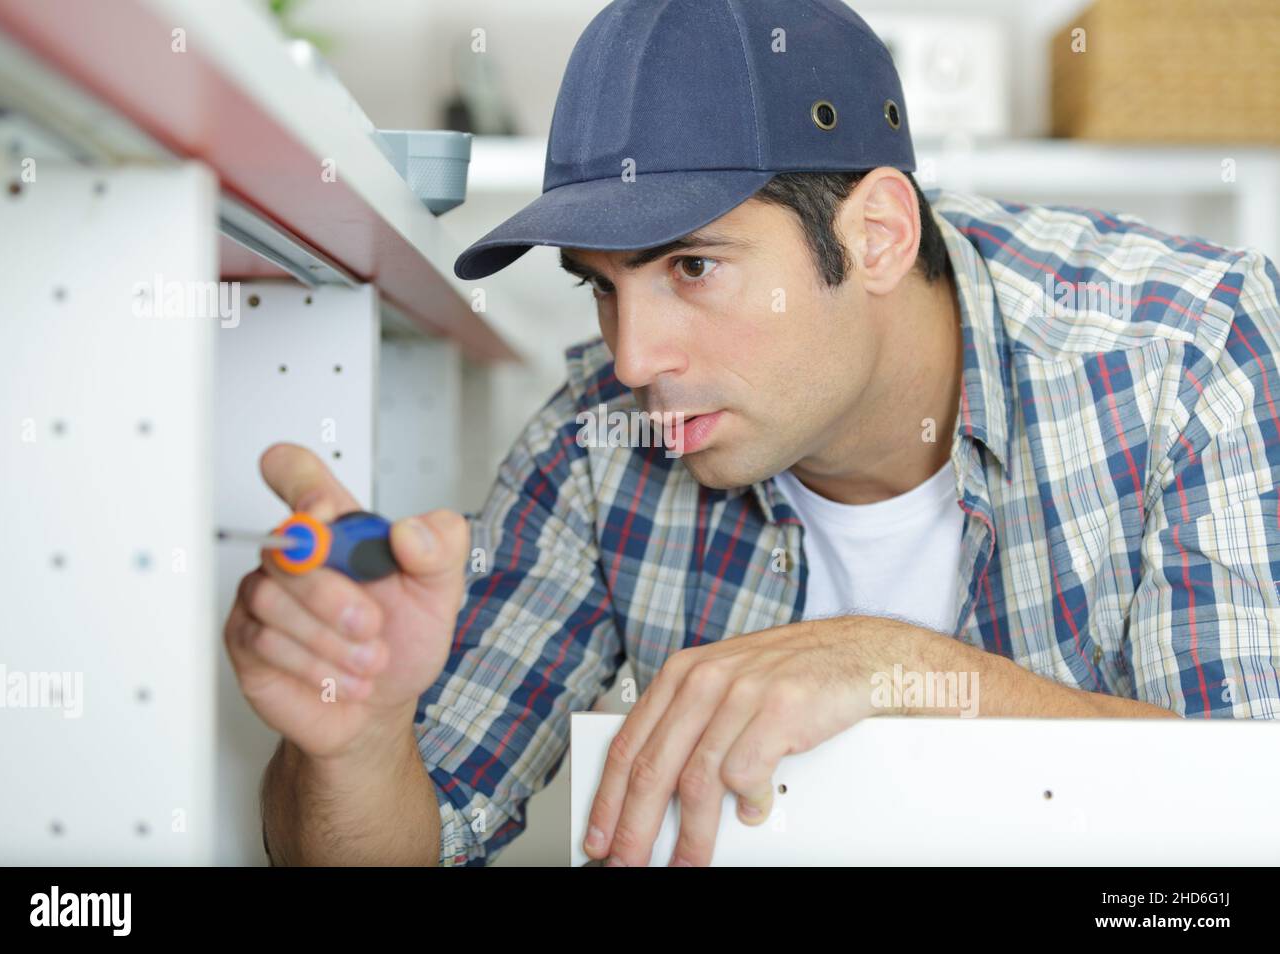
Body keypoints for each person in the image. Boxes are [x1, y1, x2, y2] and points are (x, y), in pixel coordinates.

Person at [226, 0, 1280, 867]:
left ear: (874, 234)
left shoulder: (1185, 357)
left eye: (692, 267)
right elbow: (417, 838)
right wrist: (356, 739)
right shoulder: (601, 441)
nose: (634, 358)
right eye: (600, 285)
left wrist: (894, 668)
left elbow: (1257, 800)